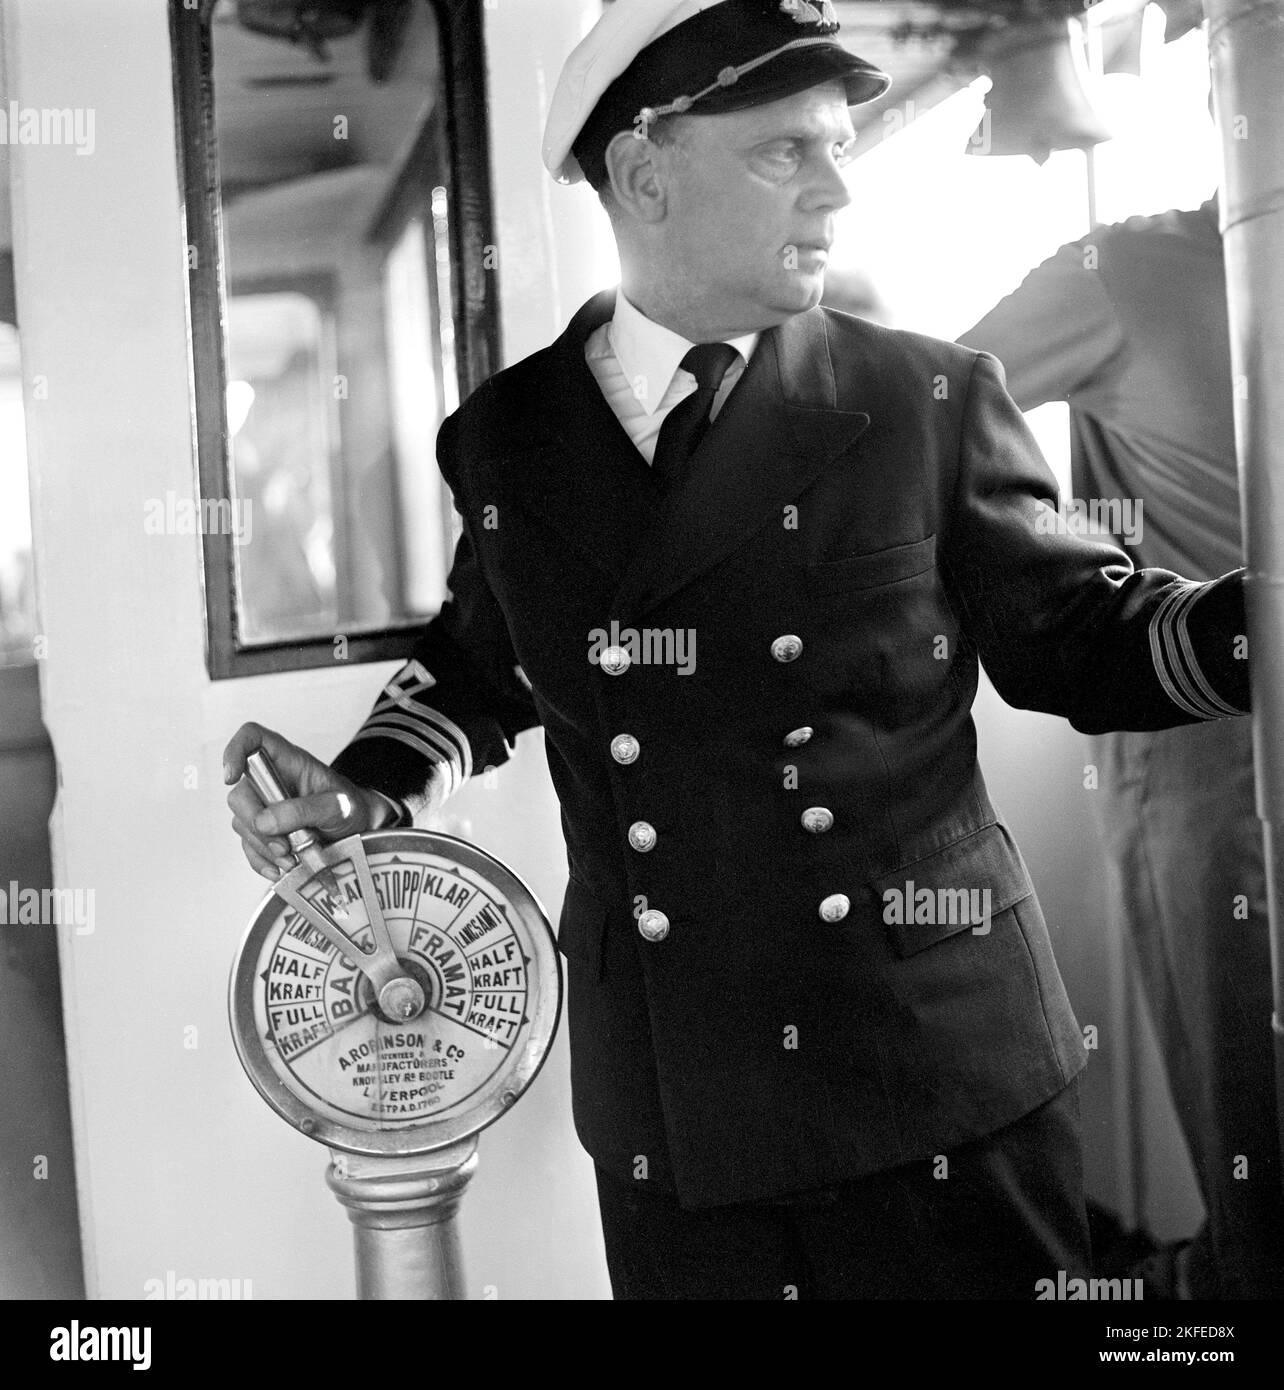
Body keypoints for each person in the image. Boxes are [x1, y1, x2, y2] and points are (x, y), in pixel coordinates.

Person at [224, 0, 1251, 1299]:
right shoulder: (507, 439)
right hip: (678, 1091)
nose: (837, 190)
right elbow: (486, 657)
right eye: (788, 152)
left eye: (842, 149)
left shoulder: (922, 395)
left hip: (931, 1067)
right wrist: (372, 780)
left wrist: (1246, 620)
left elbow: (1079, 638)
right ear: (647, 172)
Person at [958, 196, 1284, 1300]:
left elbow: (920, 418)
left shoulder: (1122, 267)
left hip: (1203, 747)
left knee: (1248, 1125)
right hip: (1226, 718)